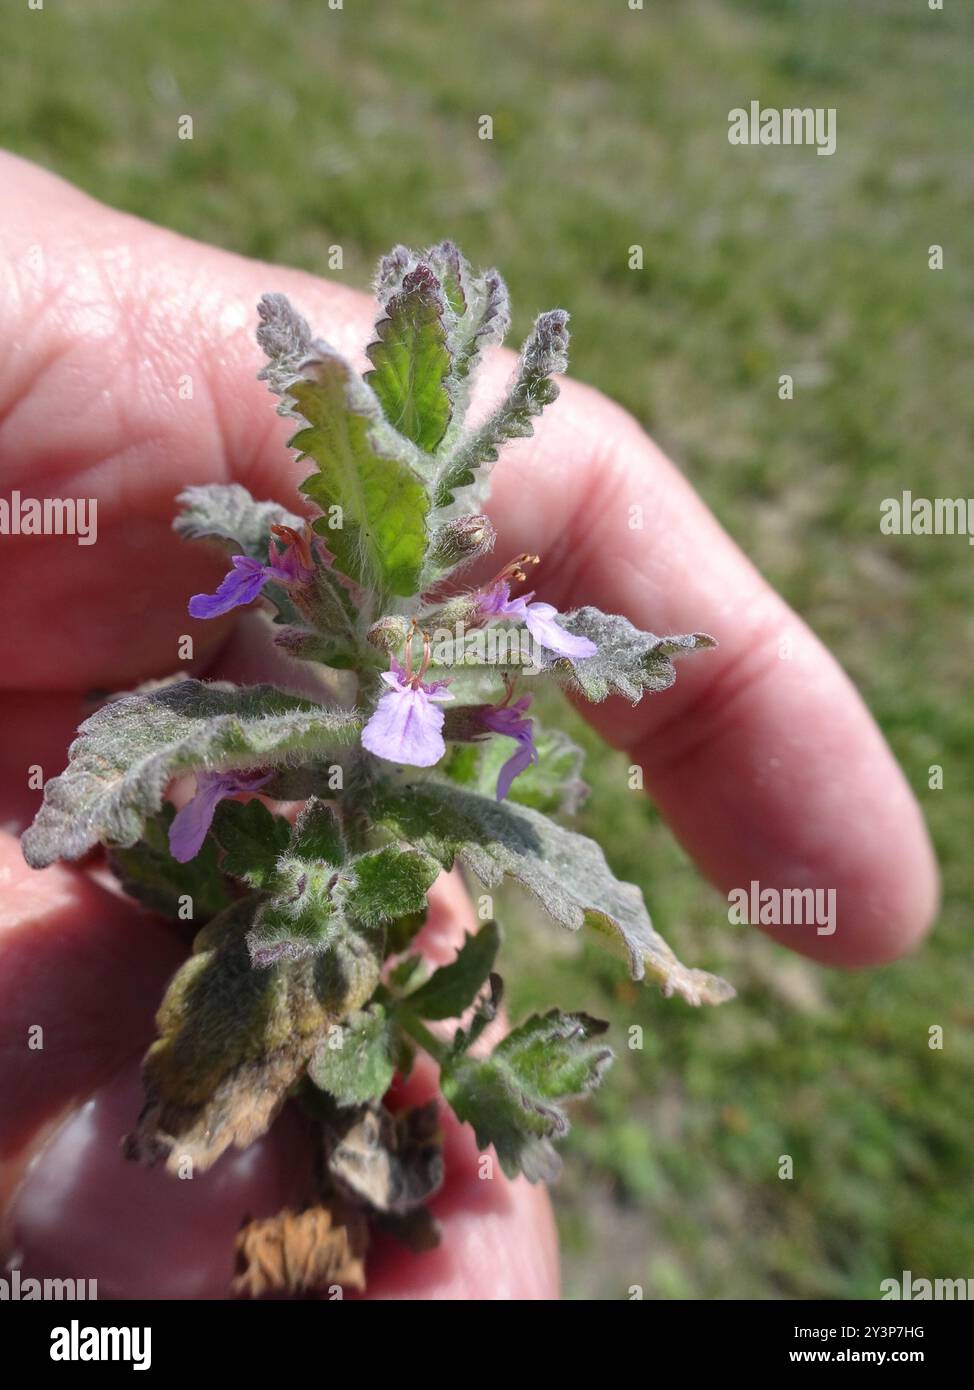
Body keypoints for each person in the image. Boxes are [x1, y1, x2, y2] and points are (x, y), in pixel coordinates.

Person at [0, 152, 938, 1300]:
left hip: (366, 811)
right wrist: (283, 587)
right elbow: (231, 577)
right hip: (306, 820)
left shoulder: (434, 666)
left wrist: (487, 660)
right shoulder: (338, 609)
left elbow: (522, 675)